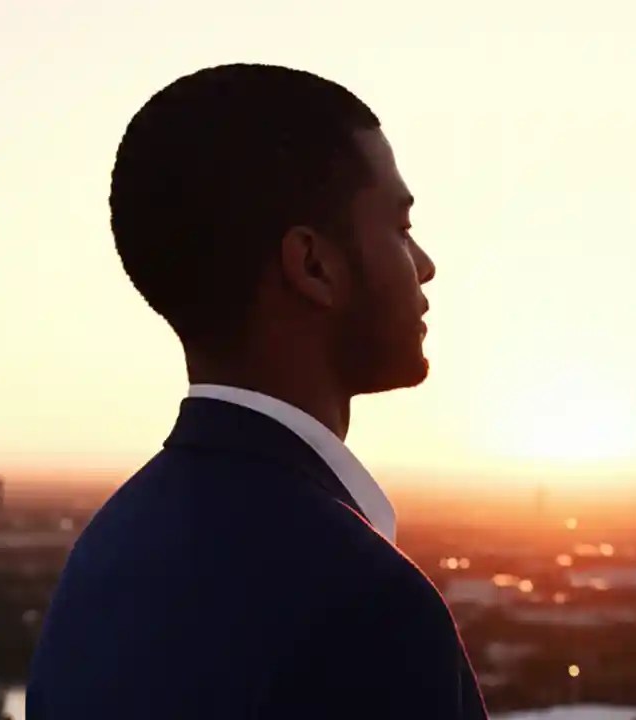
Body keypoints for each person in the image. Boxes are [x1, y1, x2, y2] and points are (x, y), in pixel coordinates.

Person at [28, 64, 486, 719]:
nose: (425, 265)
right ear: (314, 266)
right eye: (401, 227)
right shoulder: (367, 604)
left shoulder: (104, 556)